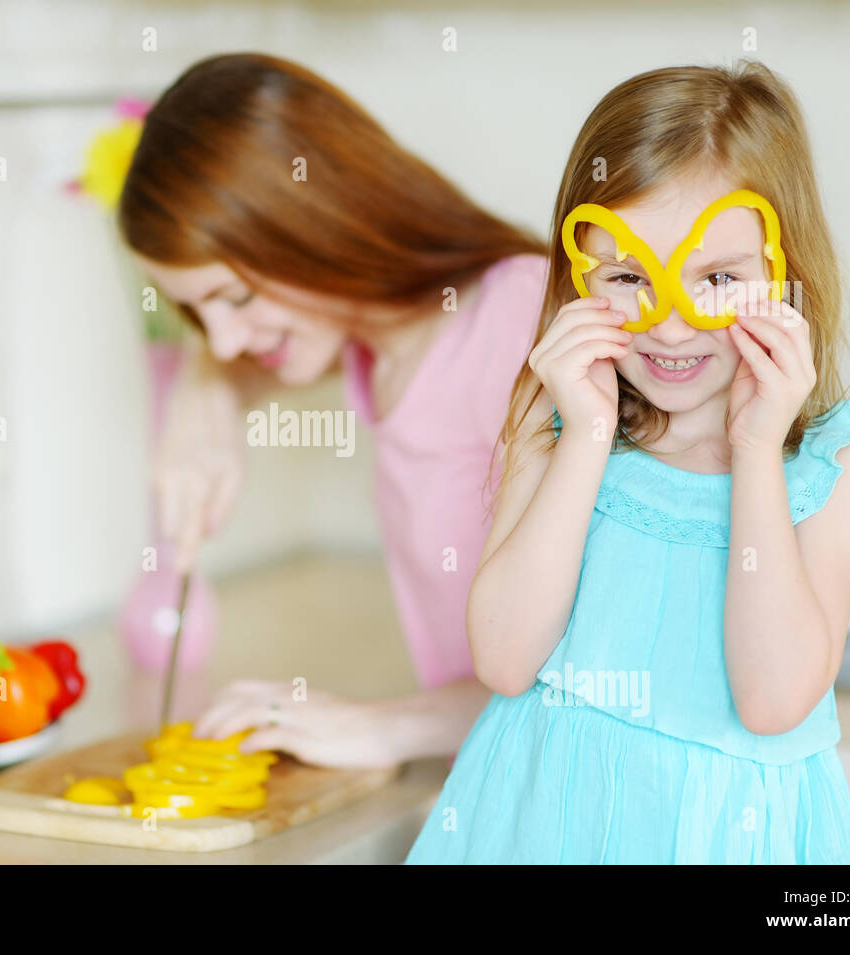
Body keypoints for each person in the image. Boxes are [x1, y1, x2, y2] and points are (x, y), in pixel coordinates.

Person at [406, 60, 850, 863]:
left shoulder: (833, 461)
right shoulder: (555, 420)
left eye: (718, 279)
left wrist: (752, 449)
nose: (669, 325)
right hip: (538, 821)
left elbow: (773, 698)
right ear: (577, 278)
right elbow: (503, 658)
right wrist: (589, 432)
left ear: (785, 274)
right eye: (631, 276)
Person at [117, 53, 548, 767]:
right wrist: (205, 389)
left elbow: (599, 669)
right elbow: (239, 358)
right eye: (194, 310)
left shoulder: (517, 320)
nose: (222, 338)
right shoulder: (367, 343)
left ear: (316, 223)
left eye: (235, 297)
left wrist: (385, 727)